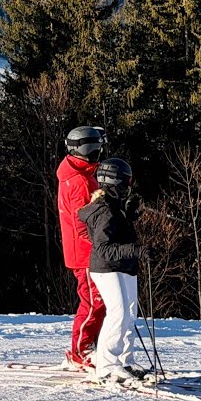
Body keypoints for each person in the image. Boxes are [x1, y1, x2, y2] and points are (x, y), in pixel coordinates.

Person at [79, 158, 144, 382]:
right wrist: (136, 250)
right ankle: (106, 364)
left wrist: (130, 215)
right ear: (114, 182)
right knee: (118, 313)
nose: (128, 188)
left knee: (130, 313)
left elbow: (118, 230)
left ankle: (126, 360)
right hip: (107, 267)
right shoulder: (104, 210)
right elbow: (104, 248)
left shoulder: (114, 205)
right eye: (125, 183)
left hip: (123, 266)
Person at [57, 126, 107, 371]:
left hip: (91, 250)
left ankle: (92, 347)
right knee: (93, 302)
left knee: (101, 301)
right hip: (85, 252)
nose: (100, 151)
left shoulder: (83, 172)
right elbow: (81, 224)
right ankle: (80, 352)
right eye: (97, 146)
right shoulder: (77, 181)